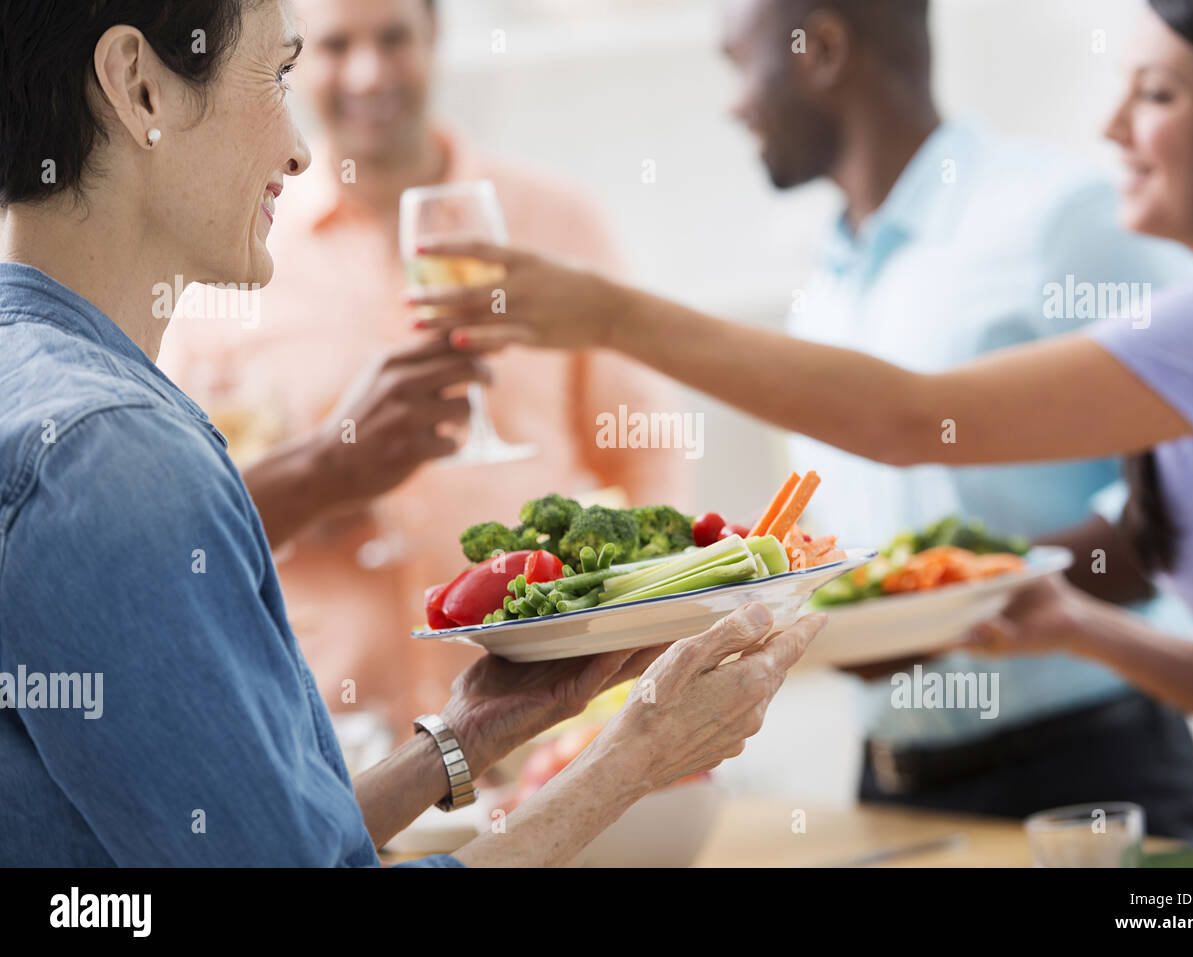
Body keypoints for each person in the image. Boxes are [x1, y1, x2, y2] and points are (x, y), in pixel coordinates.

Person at [0, 0, 825, 866]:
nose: (300, 146)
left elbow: (274, 847)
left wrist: (462, 737)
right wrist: (635, 756)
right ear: (139, 88)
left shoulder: (52, 392)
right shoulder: (113, 451)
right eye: (277, 74)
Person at [416, 0, 1193, 778]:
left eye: (1156, 93)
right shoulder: (831, 274)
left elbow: (912, 419)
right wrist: (1067, 620)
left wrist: (611, 314)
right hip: (899, 754)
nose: (1111, 125)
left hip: (1081, 752)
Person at [707, 0, 1193, 836]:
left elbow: (1189, 486)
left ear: (823, 49)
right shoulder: (826, 278)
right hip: (890, 780)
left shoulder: (1062, 219)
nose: (732, 103)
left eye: (738, 63)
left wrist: (954, 601)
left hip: (1084, 766)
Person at [156, 0, 688, 745]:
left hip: (545, 725)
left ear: (436, 37)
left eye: (394, 37)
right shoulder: (226, 261)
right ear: (292, 62)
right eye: (337, 45)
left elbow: (648, 457)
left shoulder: (558, 222)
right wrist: (318, 481)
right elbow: (185, 521)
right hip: (329, 740)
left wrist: (649, 663)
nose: (369, 72)